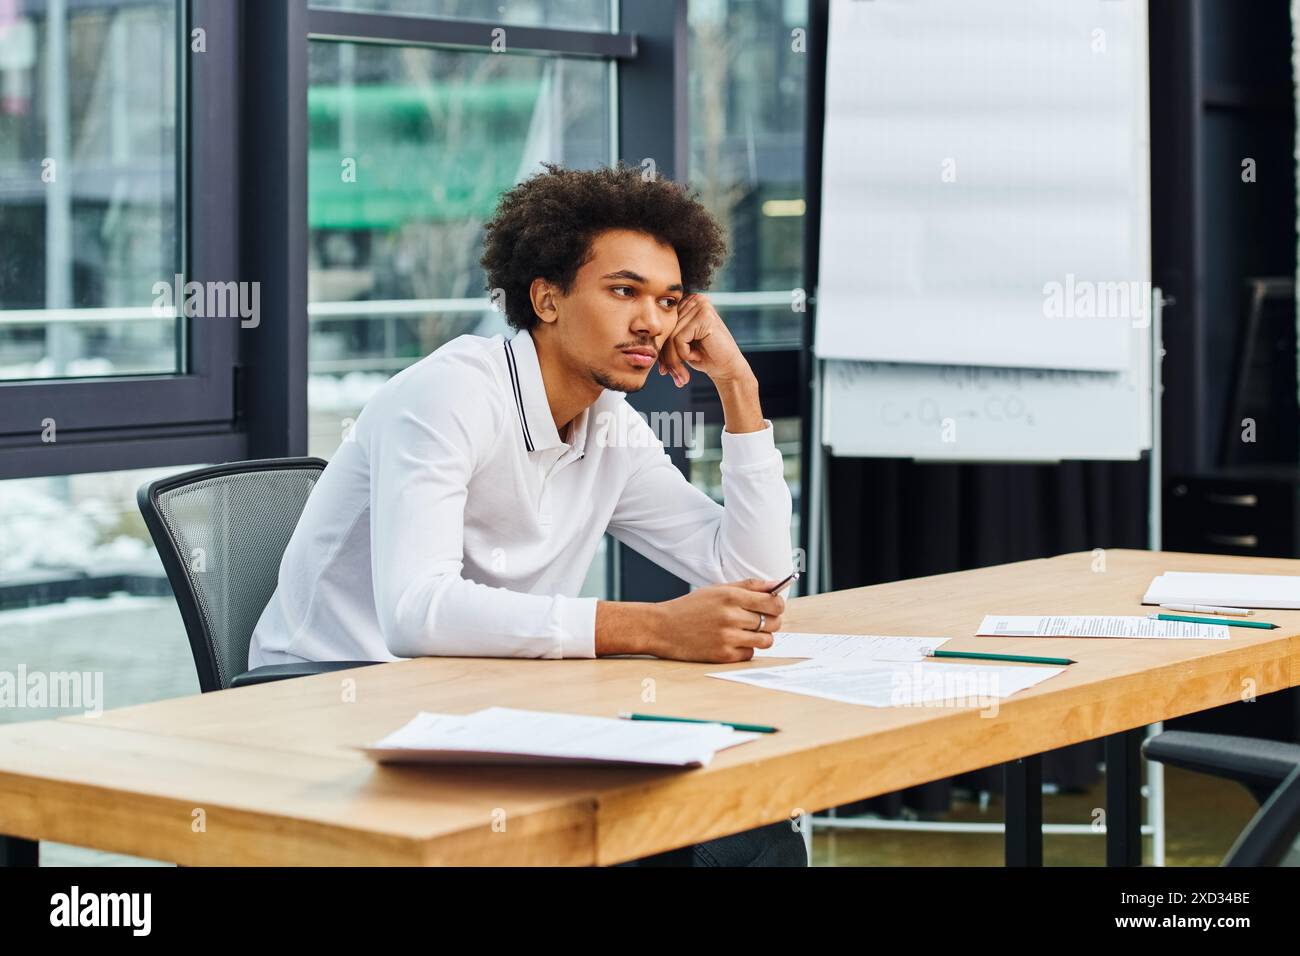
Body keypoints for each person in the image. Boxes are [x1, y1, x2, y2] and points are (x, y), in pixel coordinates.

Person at [248, 161, 804, 866]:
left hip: (477, 702)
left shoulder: (610, 424)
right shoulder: (447, 396)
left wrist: (739, 387)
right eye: (624, 291)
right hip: (332, 705)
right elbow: (416, 611)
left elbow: (754, 576)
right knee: (667, 844)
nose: (651, 322)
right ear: (546, 298)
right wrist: (654, 627)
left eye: (669, 301)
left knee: (743, 825)